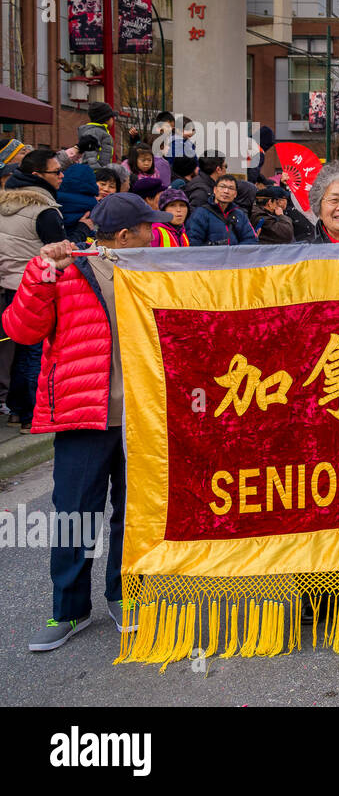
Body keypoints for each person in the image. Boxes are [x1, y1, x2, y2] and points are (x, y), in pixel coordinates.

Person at [5, 193, 172, 651]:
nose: (155, 234)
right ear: (124, 235)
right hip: (83, 415)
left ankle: (124, 596)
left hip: (143, 417)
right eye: (146, 228)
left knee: (134, 516)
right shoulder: (65, 271)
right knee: (76, 513)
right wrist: (41, 274)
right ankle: (68, 610)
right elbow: (21, 331)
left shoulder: (153, 272)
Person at [0, 148, 68, 432]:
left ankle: (16, 409)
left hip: (6, 285)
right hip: (34, 288)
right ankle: (29, 414)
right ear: (37, 176)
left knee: (15, 351)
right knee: (33, 351)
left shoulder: (4, 203)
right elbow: (60, 252)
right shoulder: (45, 211)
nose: (62, 176)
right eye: (56, 172)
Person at [186, 174, 258, 246]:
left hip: (235, 256)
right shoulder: (201, 213)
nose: (226, 191)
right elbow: (194, 242)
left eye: (231, 188)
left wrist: (235, 252)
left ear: (235, 194)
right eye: (222, 187)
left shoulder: (239, 214)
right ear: (214, 190)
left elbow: (251, 239)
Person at [76, 101, 116, 168]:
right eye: (112, 117)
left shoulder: (99, 132)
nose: (113, 120)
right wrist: (98, 172)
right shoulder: (94, 132)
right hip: (97, 174)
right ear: (106, 119)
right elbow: (90, 157)